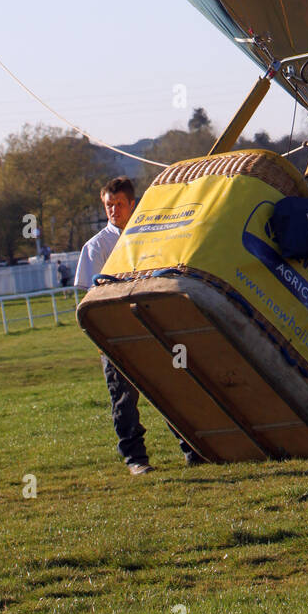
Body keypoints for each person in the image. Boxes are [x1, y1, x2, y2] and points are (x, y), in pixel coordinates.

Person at [75, 177, 200, 474]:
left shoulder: (153, 238)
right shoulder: (96, 247)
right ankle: (135, 458)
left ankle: (192, 449)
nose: (114, 211)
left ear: (132, 205)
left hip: (153, 326)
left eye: (119, 204)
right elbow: (92, 295)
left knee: (170, 391)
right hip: (115, 333)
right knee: (124, 398)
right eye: (109, 205)